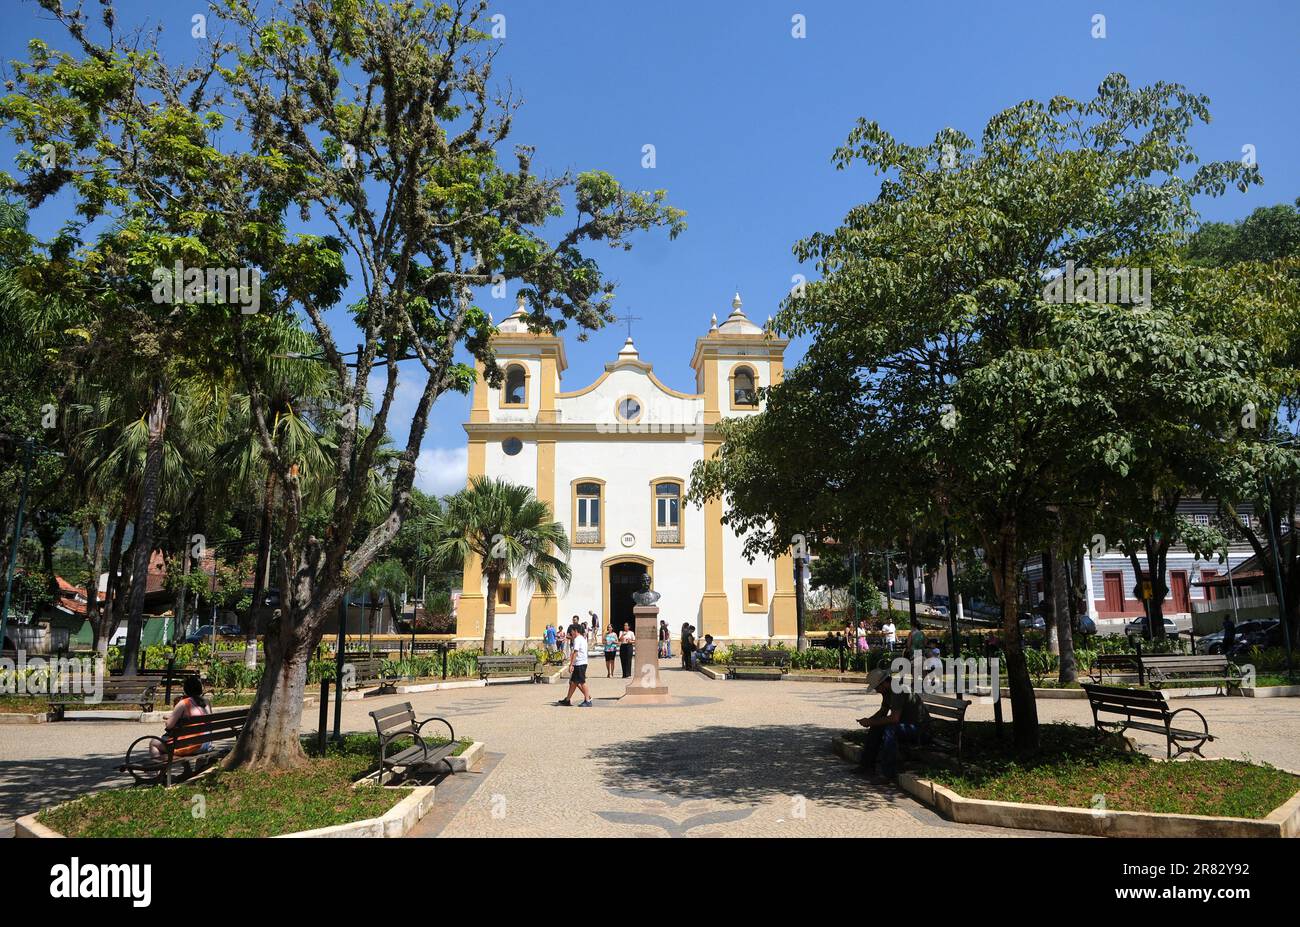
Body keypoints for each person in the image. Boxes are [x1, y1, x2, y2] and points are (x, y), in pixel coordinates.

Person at [856, 668, 930, 780]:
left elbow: (894, 718)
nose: (876, 690)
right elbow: (883, 712)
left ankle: (888, 774)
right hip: (904, 726)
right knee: (877, 727)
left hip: (920, 730)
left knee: (890, 730)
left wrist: (871, 721)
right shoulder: (887, 692)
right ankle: (866, 765)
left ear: (884, 683)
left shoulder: (898, 691)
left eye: (877, 687)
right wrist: (869, 721)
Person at [151, 676, 212, 758]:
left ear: (186, 689)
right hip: (206, 744)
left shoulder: (183, 703)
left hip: (191, 746)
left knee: (154, 742)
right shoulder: (206, 702)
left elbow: (169, 726)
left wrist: (168, 720)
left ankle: (155, 769)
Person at [555, 625, 592, 707]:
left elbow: (575, 652)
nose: (571, 633)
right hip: (581, 662)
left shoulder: (578, 639)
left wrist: (571, 664)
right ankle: (567, 700)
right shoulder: (582, 638)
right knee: (573, 682)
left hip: (580, 663)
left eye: (571, 631)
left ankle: (588, 700)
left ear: (575, 630)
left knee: (582, 682)